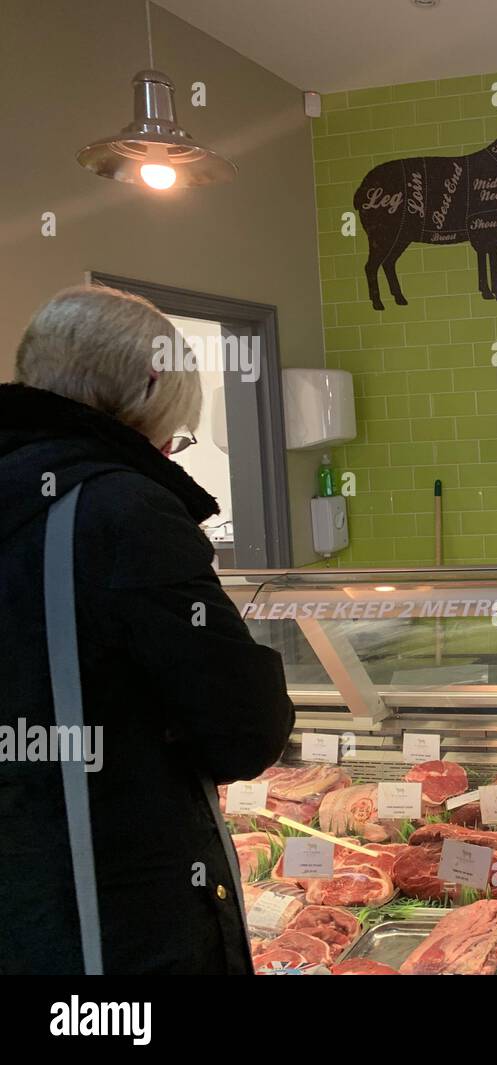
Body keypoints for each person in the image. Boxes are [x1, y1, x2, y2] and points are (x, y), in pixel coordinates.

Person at [0, 285, 295, 975]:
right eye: (173, 432)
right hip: (119, 917)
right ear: (147, 392)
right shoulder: (124, 509)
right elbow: (244, 729)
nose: (170, 450)